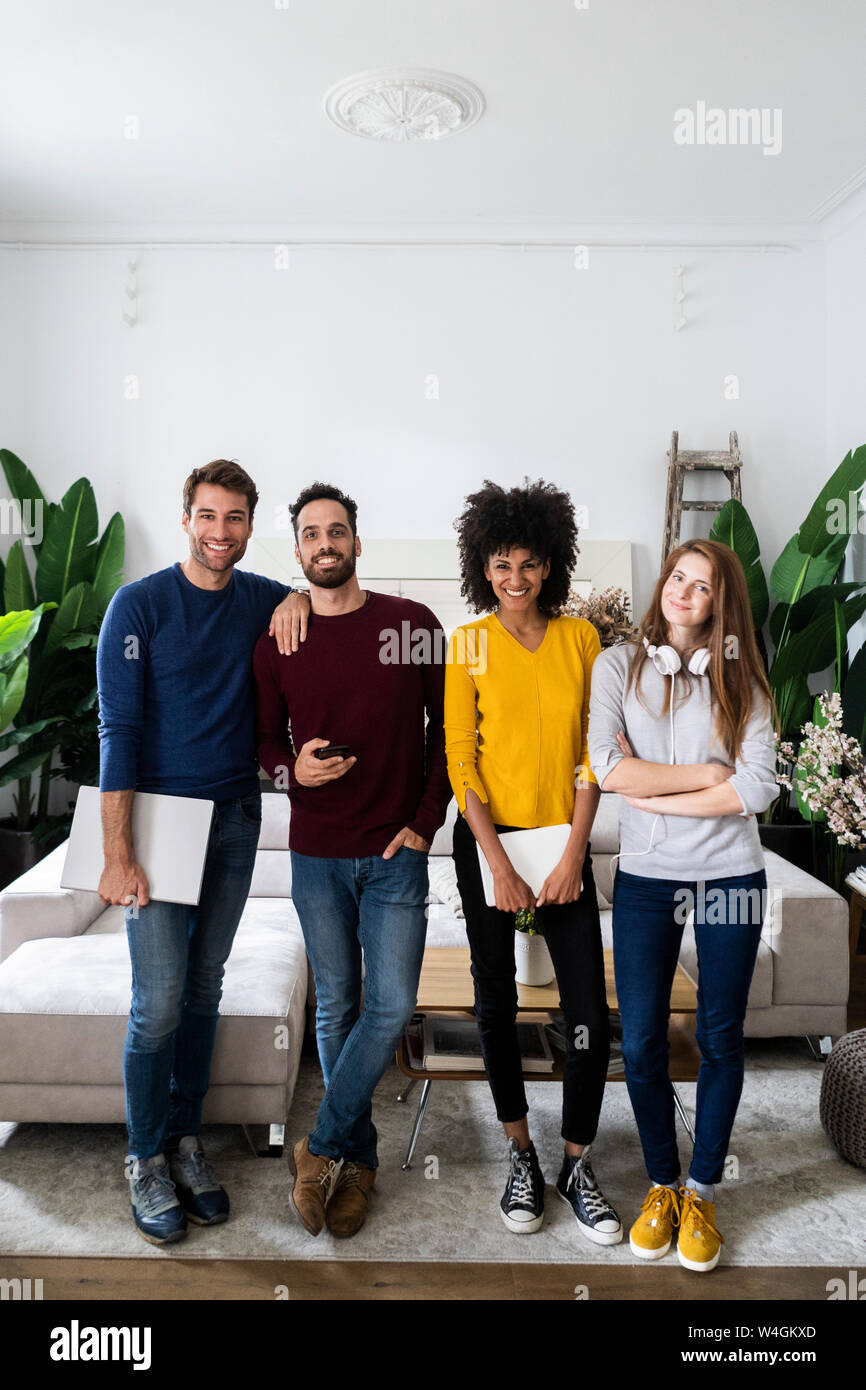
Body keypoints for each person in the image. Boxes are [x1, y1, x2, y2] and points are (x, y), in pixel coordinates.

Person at [97, 459, 310, 1246]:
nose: (221, 533)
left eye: (235, 519)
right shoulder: (138, 606)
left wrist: (294, 599)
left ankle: (186, 1142)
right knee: (156, 1002)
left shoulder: (260, 600)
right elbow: (116, 734)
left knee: (203, 990)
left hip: (235, 816)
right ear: (185, 517)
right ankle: (145, 1156)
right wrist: (118, 856)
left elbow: (311, 611)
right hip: (158, 820)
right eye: (208, 516)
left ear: (251, 527)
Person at [253, 482, 451, 1239]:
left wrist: (427, 824)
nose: (325, 544)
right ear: (298, 549)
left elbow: (447, 736)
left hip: (395, 851)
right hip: (317, 855)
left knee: (392, 1006)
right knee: (337, 1005)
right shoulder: (278, 638)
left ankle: (321, 1144)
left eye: (338, 532)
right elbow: (263, 745)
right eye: (311, 534)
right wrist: (289, 774)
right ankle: (356, 1165)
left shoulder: (413, 625)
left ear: (358, 543)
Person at [588, 538, 779, 1272]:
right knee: (638, 1042)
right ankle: (661, 1183)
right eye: (677, 578)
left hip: (731, 877)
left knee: (719, 1036)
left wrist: (657, 789)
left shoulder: (745, 683)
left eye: (701, 586)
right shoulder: (617, 667)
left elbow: (756, 789)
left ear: (719, 604)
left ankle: (701, 1188)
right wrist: (706, 776)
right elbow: (607, 768)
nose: (683, 593)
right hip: (646, 878)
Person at [443, 479, 622, 1245]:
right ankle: (520, 1152)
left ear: (551, 565)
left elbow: (594, 756)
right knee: (496, 1005)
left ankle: (577, 1163)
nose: (514, 579)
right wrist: (499, 864)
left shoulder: (584, 642)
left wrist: (575, 854)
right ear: (482, 567)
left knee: (587, 1012)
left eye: (528, 564)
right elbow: (460, 762)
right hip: (490, 842)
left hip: (564, 846)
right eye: (500, 565)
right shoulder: (466, 644)